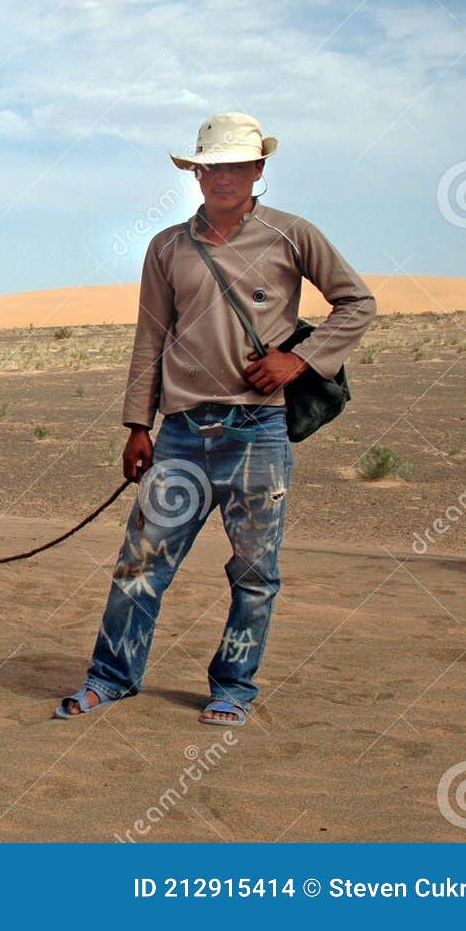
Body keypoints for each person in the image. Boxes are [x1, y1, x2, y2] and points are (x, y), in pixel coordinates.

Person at [55, 113, 376, 725]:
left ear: (258, 170)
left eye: (235, 165)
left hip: (258, 432)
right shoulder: (169, 247)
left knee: (254, 574)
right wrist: (137, 425)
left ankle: (233, 688)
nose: (222, 176)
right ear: (196, 173)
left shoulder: (291, 235)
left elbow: (358, 302)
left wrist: (300, 360)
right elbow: (150, 337)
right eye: (210, 166)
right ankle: (111, 677)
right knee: (141, 565)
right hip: (179, 434)